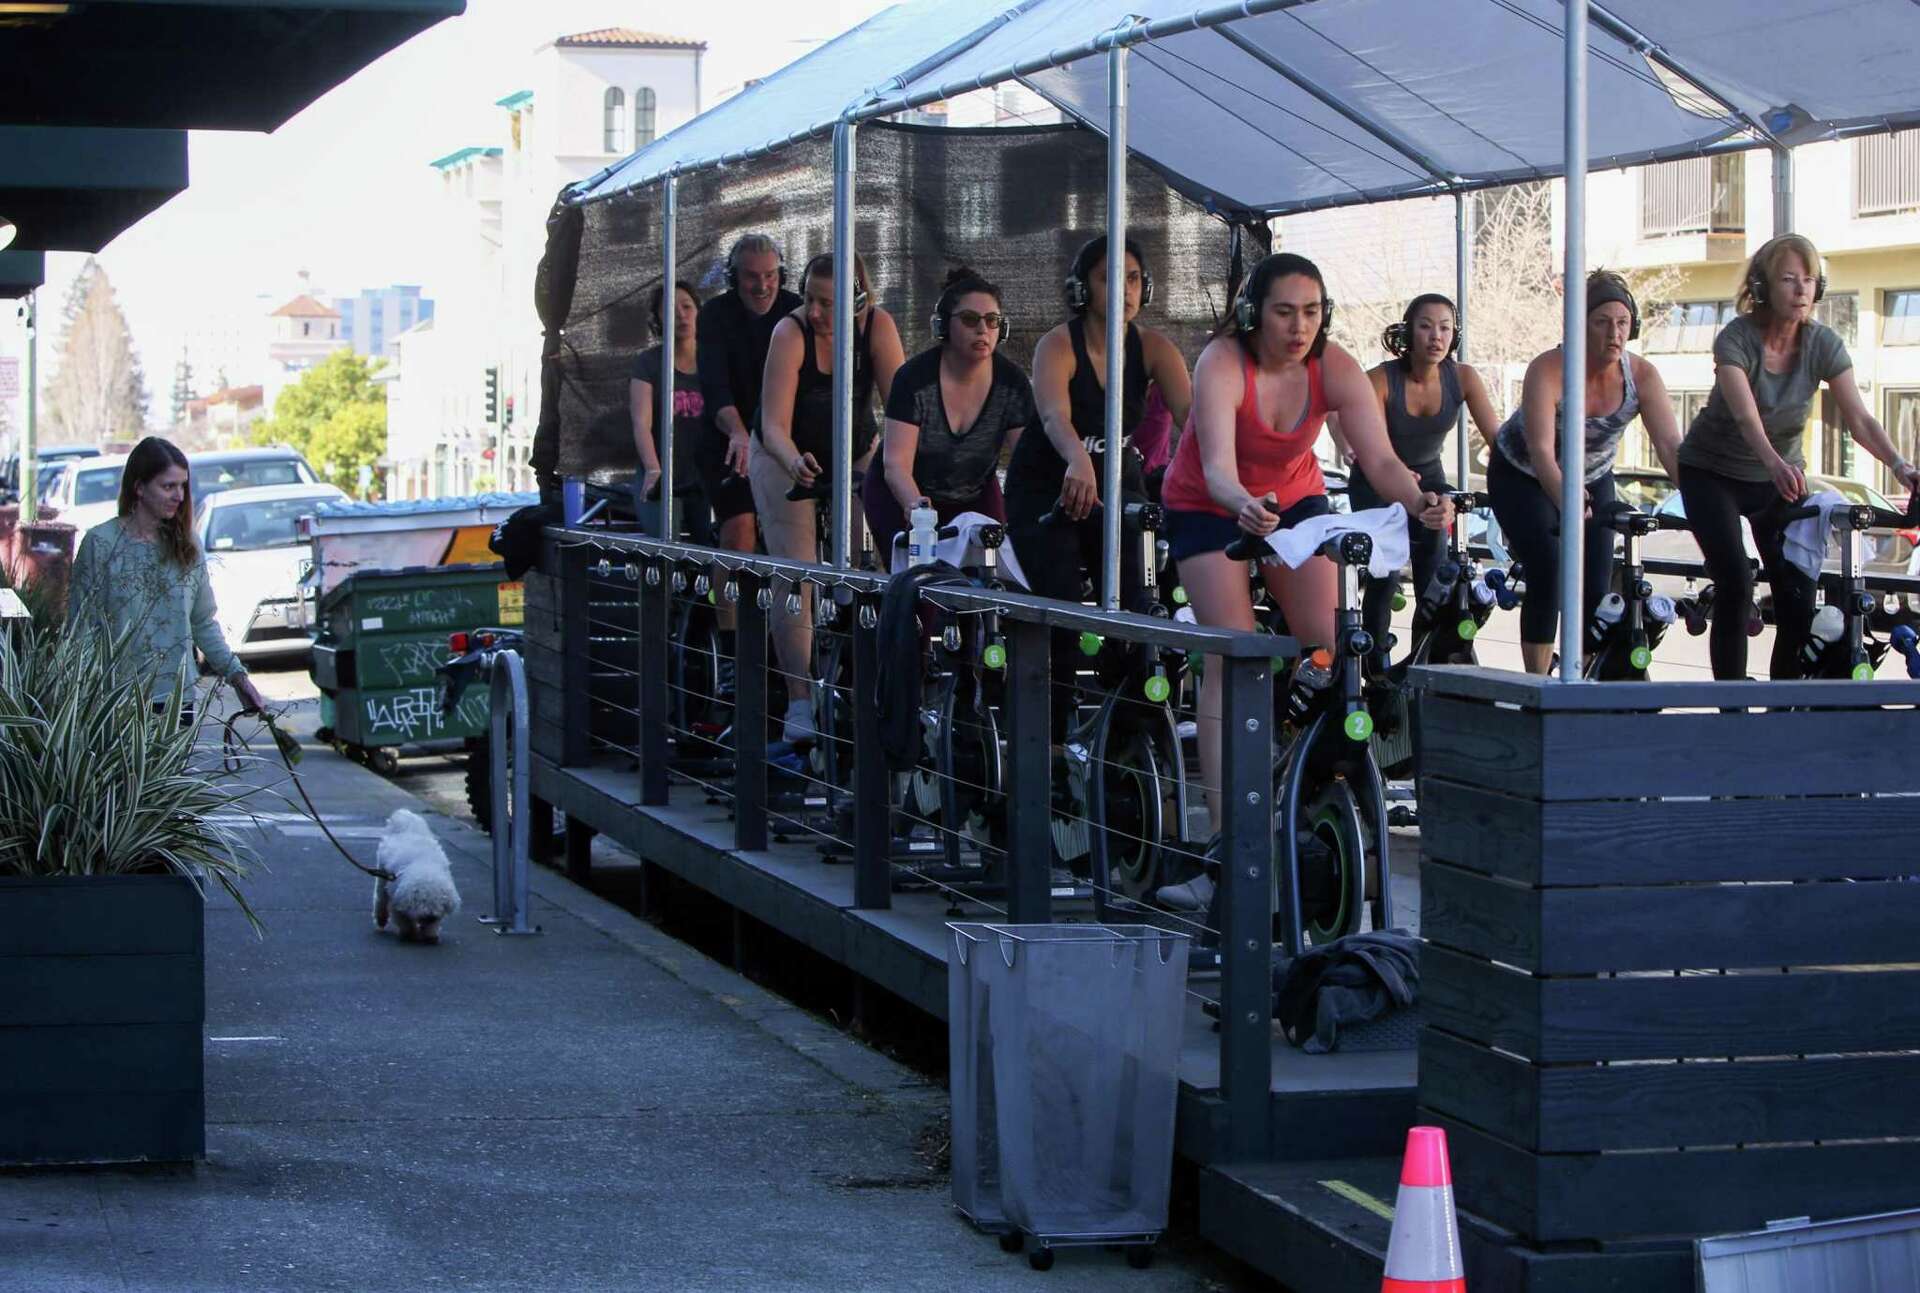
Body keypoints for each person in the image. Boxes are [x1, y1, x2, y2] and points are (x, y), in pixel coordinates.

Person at [1160, 253, 1451, 842]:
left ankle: (1301, 778)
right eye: (1284, 313)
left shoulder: (1334, 366)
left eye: (1312, 312)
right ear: (1252, 315)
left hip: (1295, 500)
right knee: (1233, 654)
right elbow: (1216, 468)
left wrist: (1421, 502)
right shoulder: (1222, 360)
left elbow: (1382, 461)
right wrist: (1242, 503)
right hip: (1209, 503)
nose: (1299, 328)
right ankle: (1224, 835)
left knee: (1330, 649)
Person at [1676, 234, 1920, 679]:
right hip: (1711, 473)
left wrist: (1900, 466)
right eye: (1789, 279)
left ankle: (1783, 703)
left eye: (1809, 280)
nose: (1801, 289)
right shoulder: (1736, 338)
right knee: (1736, 579)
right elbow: (1747, 416)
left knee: (1796, 593)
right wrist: (1773, 462)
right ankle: (1731, 707)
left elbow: (1859, 419)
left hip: (1778, 478)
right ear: (1764, 287)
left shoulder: (1822, 344)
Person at [1003, 235, 1192, 714]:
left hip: (1114, 480)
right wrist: (1078, 459)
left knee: (1141, 596)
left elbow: (1194, 420)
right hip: (1048, 482)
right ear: (1082, 288)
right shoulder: (1057, 344)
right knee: (1063, 603)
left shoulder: (1154, 347)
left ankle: (1131, 732)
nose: (1124, 289)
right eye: (1110, 277)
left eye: (1133, 278)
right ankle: (1054, 736)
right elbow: (1052, 417)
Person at [1486, 270, 1681, 675]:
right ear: (1579, 326)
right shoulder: (1550, 368)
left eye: (1623, 323)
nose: (1614, 333)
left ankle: (1585, 679)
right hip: (1522, 473)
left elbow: (1669, 446)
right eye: (1601, 322)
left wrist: (1702, 504)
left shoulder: (1641, 376)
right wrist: (1567, 501)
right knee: (1550, 568)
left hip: (1593, 475)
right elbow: (1541, 450)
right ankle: (1537, 683)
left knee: (1596, 586)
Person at [751, 251, 905, 742]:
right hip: (786, 452)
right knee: (796, 571)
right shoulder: (789, 332)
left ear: (858, 302)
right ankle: (798, 701)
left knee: (879, 559)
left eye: (827, 304)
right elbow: (773, 424)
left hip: (855, 449)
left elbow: (902, 409)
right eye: (810, 298)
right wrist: (793, 459)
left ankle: (878, 681)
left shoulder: (878, 327)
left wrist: (898, 471)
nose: (814, 312)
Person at [66, 436, 267, 719]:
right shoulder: (100, 543)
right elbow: (82, 627)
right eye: (168, 486)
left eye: (183, 485)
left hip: (176, 699)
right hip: (115, 702)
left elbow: (202, 622)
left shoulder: (188, 545)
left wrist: (238, 677)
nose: (179, 496)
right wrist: (80, 699)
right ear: (139, 487)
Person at [1347, 294, 1501, 657]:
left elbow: (1498, 439)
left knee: (1434, 576)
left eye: (1445, 328)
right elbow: (1374, 448)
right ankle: (1373, 667)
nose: (1436, 336)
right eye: (1426, 326)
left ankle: (1424, 660)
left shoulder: (1463, 377)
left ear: (1455, 335)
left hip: (1431, 476)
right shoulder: (1380, 379)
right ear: (1408, 333)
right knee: (1384, 581)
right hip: (1377, 479)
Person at [865, 265, 1034, 568]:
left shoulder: (1012, 383)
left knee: (993, 588)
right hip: (900, 493)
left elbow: (1028, 463)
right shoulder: (914, 379)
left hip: (975, 491)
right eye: (970, 320)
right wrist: (918, 512)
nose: (982, 329)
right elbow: (896, 466)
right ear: (943, 326)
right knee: (923, 591)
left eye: (992, 321)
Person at [696, 233, 803, 678]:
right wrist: (741, 434)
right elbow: (715, 387)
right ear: (733, 277)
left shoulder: (797, 309)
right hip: (730, 434)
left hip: (793, 437)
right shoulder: (716, 315)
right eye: (751, 278)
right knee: (738, 530)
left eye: (770, 277)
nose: (762, 287)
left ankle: (806, 644)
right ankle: (732, 651)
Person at [630, 279, 713, 545]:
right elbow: (641, 423)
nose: (681, 314)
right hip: (661, 475)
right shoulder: (648, 363)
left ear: (698, 312)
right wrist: (654, 470)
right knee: (665, 553)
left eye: (687, 306)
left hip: (704, 477)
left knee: (712, 553)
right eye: (670, 309)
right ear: (658, 320)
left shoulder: (714, 359)